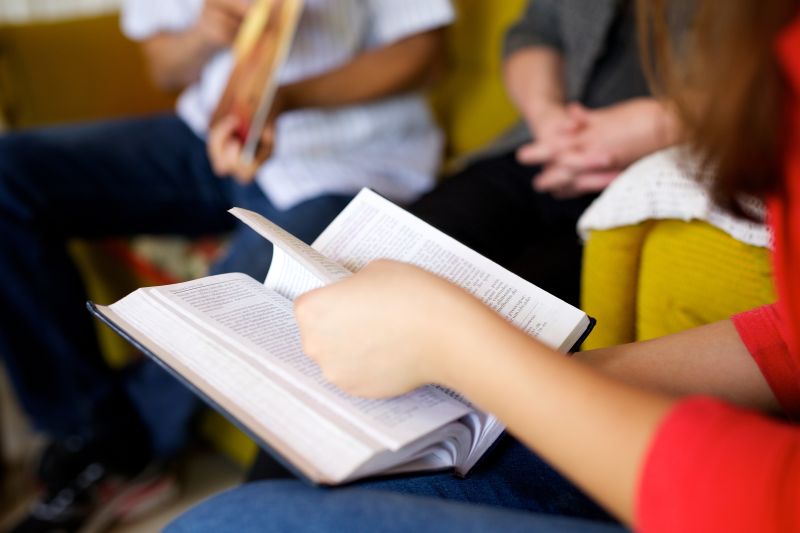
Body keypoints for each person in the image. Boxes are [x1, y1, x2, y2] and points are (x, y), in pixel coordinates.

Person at [167, 0, 800, 531]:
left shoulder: (770, 71)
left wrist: (462, 347)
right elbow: (786, 341)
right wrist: (557, 383)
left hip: (721, 486)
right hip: (540, 152)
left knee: (233, 521)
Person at [0, 0, 453, 530]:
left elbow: (424, 54)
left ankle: (116, 455)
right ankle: (86, 428)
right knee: (9, 177)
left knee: (247, 287)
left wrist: (285, 95)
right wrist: (203, 36)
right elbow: (163, 67)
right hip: (209, 137)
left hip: (346, 160)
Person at [403, 0, 681, 309]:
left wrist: (666, 124)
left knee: (513, 309)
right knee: (396, 252)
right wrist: (548, 117)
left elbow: (745, 103)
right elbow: (536, 31)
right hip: (543, 148)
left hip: (669, 177)